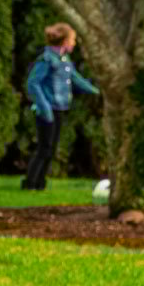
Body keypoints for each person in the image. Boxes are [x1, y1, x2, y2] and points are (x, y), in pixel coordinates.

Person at [22, 22, 100, 190]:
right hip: (46, 110)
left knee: (51, 148)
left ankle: (40, 183)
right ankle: (30, 183)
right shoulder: (47, 59)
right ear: (64, 41)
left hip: (58, 109)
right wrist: (44, 107)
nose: (74, 43)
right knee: (44, 148)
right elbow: (33, 83)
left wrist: (97, 91)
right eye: (72, 40)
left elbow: (76, 78)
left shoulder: (64, 59)